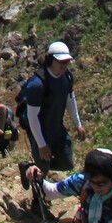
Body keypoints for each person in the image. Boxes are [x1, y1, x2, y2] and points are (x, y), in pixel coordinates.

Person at [21, 40, 87, 173]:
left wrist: (78, 124)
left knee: (67, 163)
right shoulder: (37, 85)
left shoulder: (66, 77)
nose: (64, 65)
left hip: (57, 127)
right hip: (39, 130)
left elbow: (70, 100)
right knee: (42, 170)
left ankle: (34, 168)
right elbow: (32, 117)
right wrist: (41, 144)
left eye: (66, 62)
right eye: (60, 62)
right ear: (50, 60)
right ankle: (33, 172)